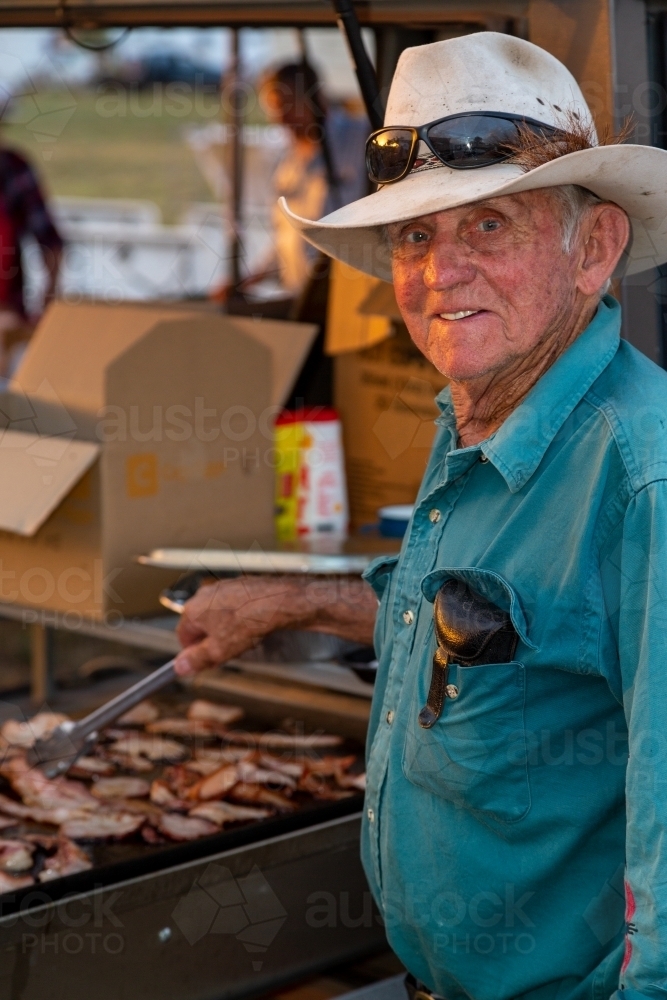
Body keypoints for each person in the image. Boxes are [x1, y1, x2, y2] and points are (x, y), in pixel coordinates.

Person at [174, 32, 667, 999]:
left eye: (487, 225)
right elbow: (478, 623)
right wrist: (282, 602)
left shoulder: (642, 479)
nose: (440, 273)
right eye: (414, 236)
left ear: (593, 249)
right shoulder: (487, 405)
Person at [232, 60, 368, 299]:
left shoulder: (362, 140)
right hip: (302, 299)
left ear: (316, 97)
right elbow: (287, 239)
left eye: (288, 106)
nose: (281, 118)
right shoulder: (286, 165)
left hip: (349, 296)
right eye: (274, 108)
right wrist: (251, 278)